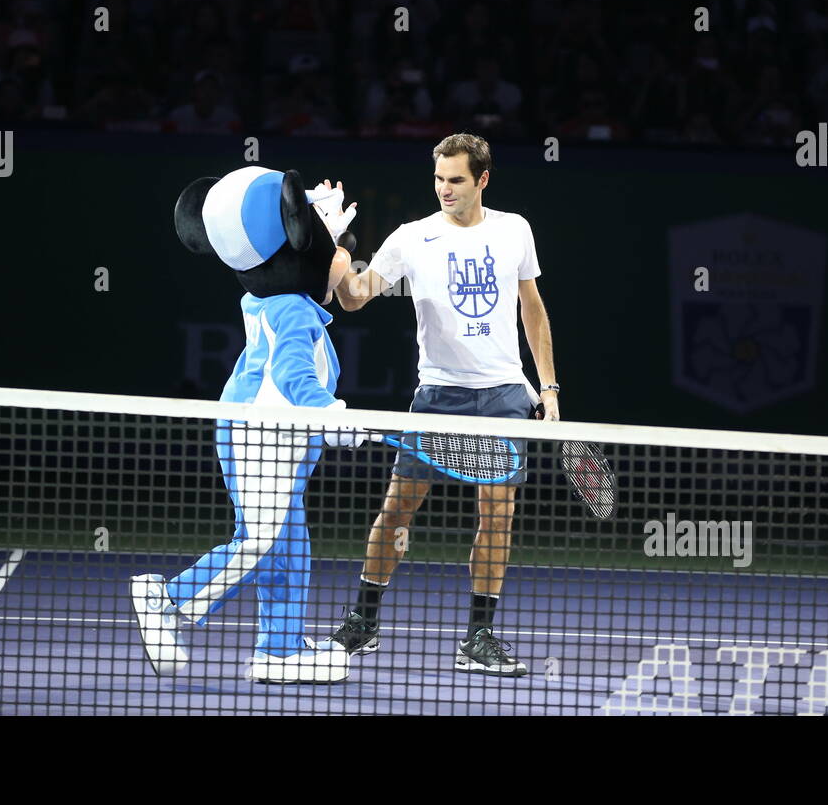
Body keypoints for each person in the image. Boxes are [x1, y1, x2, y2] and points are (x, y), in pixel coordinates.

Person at [321, 132, 558, 675]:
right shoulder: (411, 238)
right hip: (437, 395)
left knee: (498, 513)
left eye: (456, 180)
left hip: (502, 394)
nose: (445, 190)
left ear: (482, 180)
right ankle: (363, 621)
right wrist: (334, 247)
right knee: (398, 507)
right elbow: (355, 297)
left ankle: (479, 635)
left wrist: (548, 389)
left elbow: (534, 312)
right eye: (438, 179)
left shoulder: (513, 230)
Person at [129, 165, 362, 684]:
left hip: (271, 439)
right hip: (259, 439)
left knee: (286, 545)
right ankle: (166, 599)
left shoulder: (271, 299)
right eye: (337, 250)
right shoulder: (294, 314)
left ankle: (278, 650)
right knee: (259, 539)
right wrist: (330, 415)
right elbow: (293, 373)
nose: (346, 260)